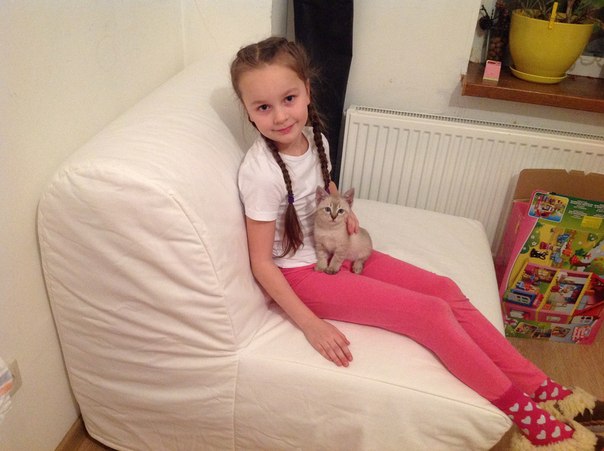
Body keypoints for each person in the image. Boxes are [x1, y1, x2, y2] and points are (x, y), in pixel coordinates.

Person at [231, 36, 602, 450]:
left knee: (445, 289)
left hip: (340, 246)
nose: (280, 116)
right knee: (430, 313)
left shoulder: (315, 139)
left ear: (307, 91)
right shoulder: (260, 173)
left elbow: (324, 186)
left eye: (288, 99)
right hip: (305, 274)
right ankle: (527, 416)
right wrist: (311, 325)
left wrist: (345, 212)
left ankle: (545, 389)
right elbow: (262, 263)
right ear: (247, 110)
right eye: (263, 107)